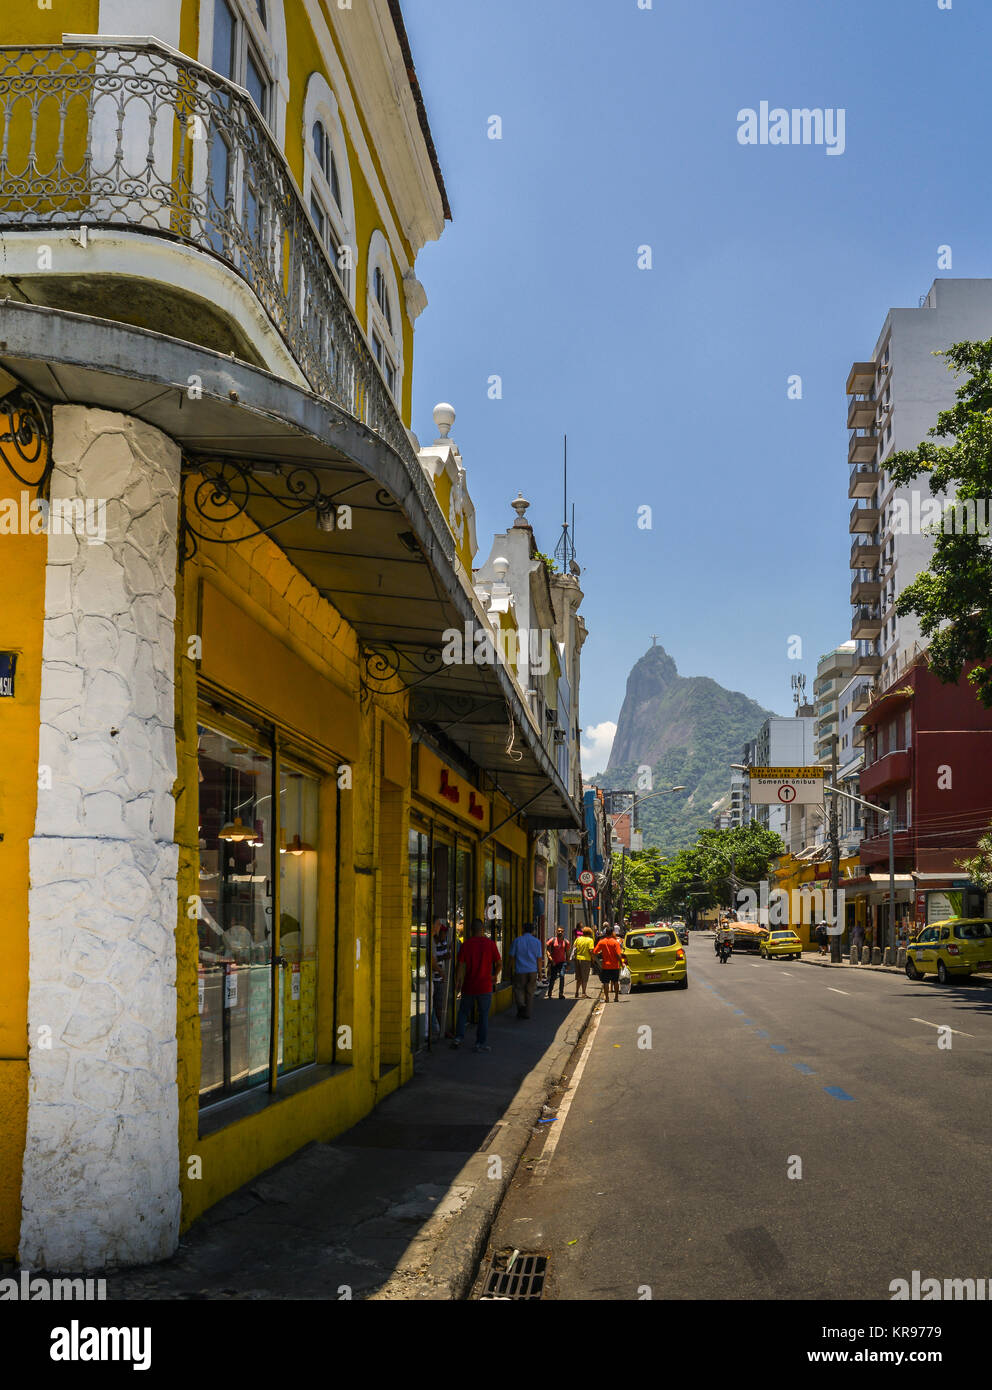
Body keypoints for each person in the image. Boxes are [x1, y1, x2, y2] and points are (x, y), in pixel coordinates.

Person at [451, 918, 501, 1052]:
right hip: (485, 986)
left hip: (469, 986)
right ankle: (480, 1043)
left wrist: (458, 983)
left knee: (463, 1013)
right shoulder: (490, 944)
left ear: (471, 930)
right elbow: (499, 963)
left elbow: (460, 966)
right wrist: (494, 975)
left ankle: (458, 1038)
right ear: (482, 929)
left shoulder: (466, 945)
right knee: (483, 1016)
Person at [509, 922, 544, 1018]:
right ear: (533, 931)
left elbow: (511, 957)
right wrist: (540, 973)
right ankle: (527, 1013)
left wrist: (509, 968)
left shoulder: (517, 941)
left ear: (523, 929)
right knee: (530, 992)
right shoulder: (537, 942)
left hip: (520, 971)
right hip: (532, 971)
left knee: (518, 990)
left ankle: (521, 1006)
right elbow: (539, 959)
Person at [430, 916, 452, 1040]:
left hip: (440, 978)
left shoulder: (443, 943)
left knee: (439, 1004)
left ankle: (440, 1027)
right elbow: (433, 961)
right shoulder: (433, 943)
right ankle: (441, 1029)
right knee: (437, 1006)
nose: (444, 935)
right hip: (435, 978)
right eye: (443, 932)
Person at [593, 928, 625, 1003]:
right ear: (612, 933)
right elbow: (618, 954)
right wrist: (621, 963)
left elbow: (595, 952)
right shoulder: (615, 942)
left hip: (605, 966)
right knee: (616, 981)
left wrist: (597, 961)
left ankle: (607, 998)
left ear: (606, 933)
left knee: (606, 982)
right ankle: (616, 997)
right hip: (615, 966)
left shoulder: (602, 942)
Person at [545, 926, 571, 1000]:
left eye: (561, 931)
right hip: (554, 963)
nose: (560, 932)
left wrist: (568, 964)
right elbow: (547, 951)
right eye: (559, 931)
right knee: (553, 978)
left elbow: (568, 953)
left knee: (562, 976)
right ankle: (550, 992)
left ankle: (561, 994)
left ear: (563, 932)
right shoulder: (552, 940)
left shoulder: (566, 942)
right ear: (556, 931)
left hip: (562, 963)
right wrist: (551, 959)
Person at [571, 927, 593, 998]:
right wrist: (593, 959)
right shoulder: (590, 940)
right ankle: (583, 993)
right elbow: (590, 951)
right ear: (589, 933)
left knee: (578, 977)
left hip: (577, 959)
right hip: (586, 960)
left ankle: (576, 992)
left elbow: (574, 947)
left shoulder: (578, 939)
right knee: (585, 977)